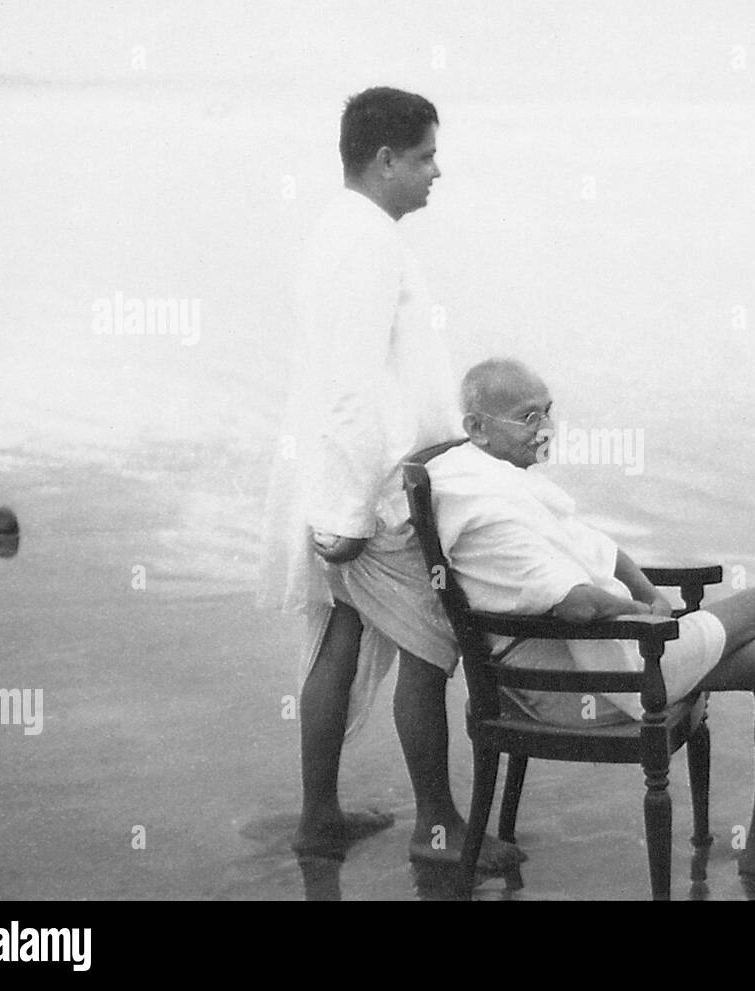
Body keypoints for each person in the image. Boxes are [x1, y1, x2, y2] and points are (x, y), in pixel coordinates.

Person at [426, 358, 755, 876]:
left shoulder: (497, 476)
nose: (545, 430)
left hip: (600, 657)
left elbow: (599, 549)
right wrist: (642, 615)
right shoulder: (487, 507)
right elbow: (577, 604)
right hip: (578, 688)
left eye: (548, 413)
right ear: (476, 428)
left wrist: (651, 595)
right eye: (528, 418)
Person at [257, 88, 520, 871]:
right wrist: (347, 513)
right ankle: (435, 827)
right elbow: (350, 383)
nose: (437, 171)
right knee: (428, 647)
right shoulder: (365, 242)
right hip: (370, 488)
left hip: (358, 477)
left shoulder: (348, 230)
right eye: (427, 155)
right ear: (385, 159)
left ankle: (319, 816)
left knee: (342, 636)